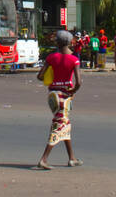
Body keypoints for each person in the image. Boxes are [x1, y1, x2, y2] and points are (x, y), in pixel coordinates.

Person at [36, 30, 83, 170]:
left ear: (58, 42)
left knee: (63, 124)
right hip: (65, 96)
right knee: (59, 125)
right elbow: (79, 82)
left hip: (53, 96)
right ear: (69, 42)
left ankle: (72, 158)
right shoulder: (74, 59)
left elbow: (40, 76)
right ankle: (44, 159)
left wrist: (51, 76)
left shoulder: (51, 58)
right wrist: (72, 91)